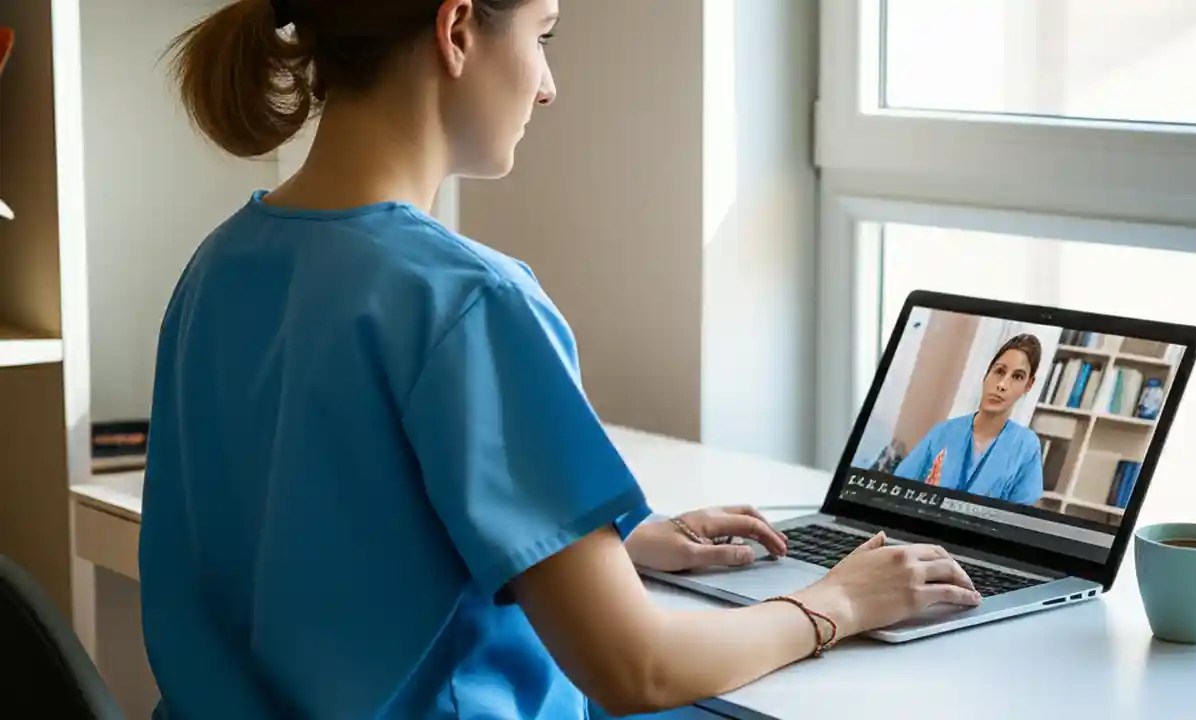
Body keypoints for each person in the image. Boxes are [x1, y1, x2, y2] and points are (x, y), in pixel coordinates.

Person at [137, 1, 981, 718]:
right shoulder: (467, 301)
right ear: (459, 28)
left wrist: (606, 546)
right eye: (543, 34)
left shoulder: (219, 264)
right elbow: (633, 668)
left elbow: (329, 532)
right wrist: (838, 601)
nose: (547, 84)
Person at [894, 334, 1045, 505]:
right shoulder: (943, 433)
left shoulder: (1026, 447)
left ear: (1028, 385)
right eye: (999, 371)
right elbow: (897, 490)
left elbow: (1021, 520)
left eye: (1017, 376)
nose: (1002, 385)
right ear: (987, 374)